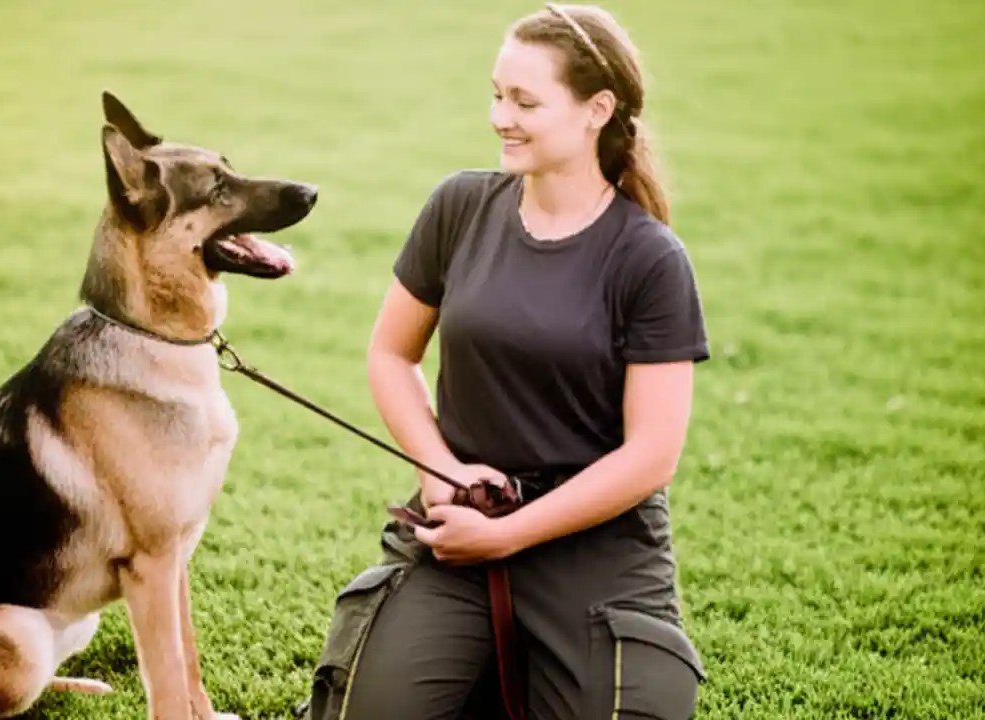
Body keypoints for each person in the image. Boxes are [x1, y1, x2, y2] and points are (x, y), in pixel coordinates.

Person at [303, 4, 709, 719]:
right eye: (496, 93)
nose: (500, 116)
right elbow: (392, 355)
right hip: (460, 525)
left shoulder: (649, 258)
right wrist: (439, 473)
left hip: (596, 546)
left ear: (597, 111)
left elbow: (652, 455)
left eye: (525, 101)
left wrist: (509, 535)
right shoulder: (460, 206)